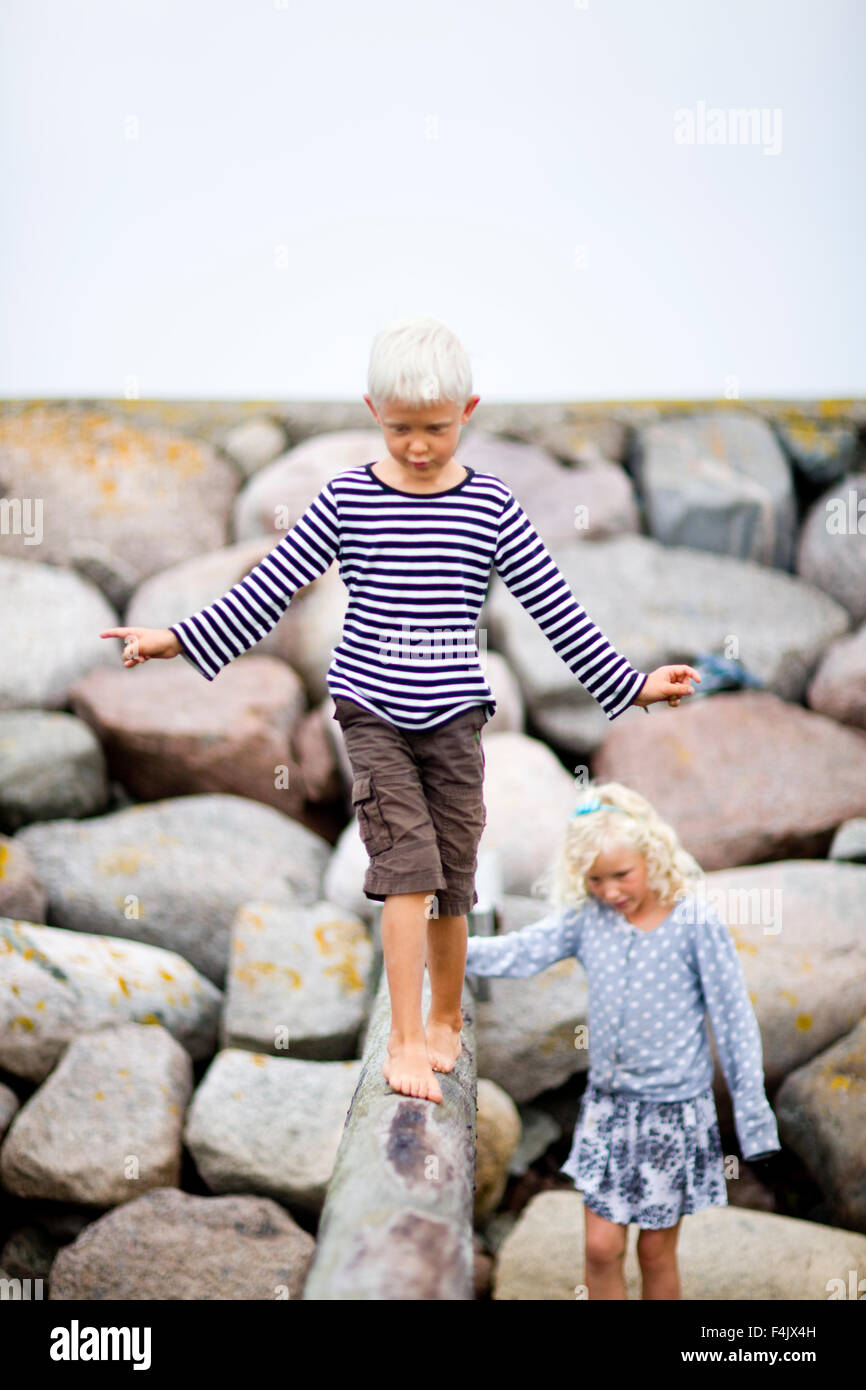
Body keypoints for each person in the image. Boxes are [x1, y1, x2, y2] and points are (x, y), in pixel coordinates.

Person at [100, 316, 701, 1106]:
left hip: (454, 718)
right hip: (373, 715)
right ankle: (408, 1038)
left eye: (437, 428)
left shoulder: (489, 506)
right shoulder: (348, 498)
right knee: (407, 874)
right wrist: (173, 638)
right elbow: (267, 592)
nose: (418, 445)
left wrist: (630, 685)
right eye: (401, 428)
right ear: (372, 412)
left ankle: (448, 1016)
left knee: (456, 879)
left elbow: (556, 609)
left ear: (469, 411)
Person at [464, 780, 781, 1300]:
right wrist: (447, 943)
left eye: (621, 876)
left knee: (655, 1253)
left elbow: (733, 1017)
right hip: (609, 1112)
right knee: (601, 1248)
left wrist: (752, 1116)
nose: (610, 891)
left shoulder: (694, 923)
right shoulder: (589, 920)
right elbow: (521, 952)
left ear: (652, 856)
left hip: (672, 1115)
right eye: (594, 880)